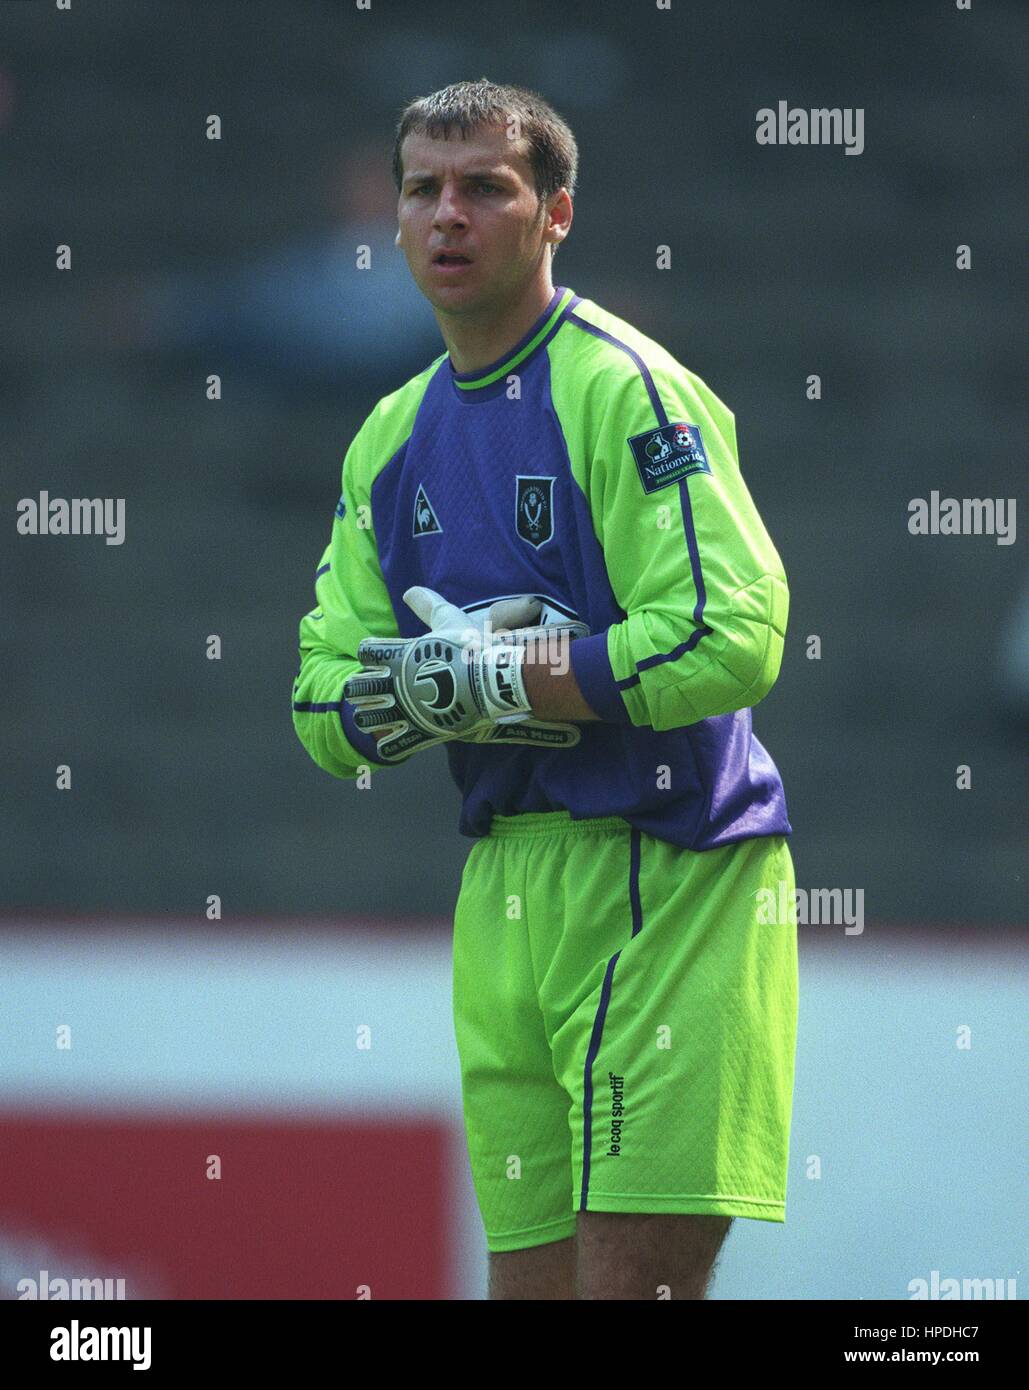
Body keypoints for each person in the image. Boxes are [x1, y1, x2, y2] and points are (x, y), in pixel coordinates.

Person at [292, 78, 798, 1300]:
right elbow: (319, 702)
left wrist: (519, 675)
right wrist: (423, 692)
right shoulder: (390, 437)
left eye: (485, 188)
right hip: (504, 887)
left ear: (556, 212)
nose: (446, 216)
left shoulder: (627, 389)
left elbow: (738, 634)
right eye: (423, 190)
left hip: (667, 867)